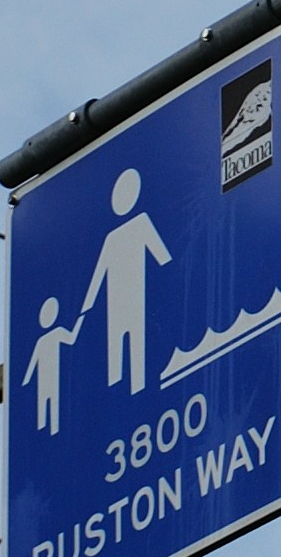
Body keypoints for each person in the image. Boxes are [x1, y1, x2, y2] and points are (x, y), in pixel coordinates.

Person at [84, 167, 171, 394]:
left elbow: (162, 257)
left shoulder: (140, 224)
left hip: (135, 296)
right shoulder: (113, 237)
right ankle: (118, 390)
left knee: (133, 341)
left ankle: (138, 385)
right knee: (118, 345)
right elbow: (99, 273)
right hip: (117, 301)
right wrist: (89, 303)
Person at [24, 295, 81, 433]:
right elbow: (33, 362)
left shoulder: (57, 333)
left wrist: (80, 322)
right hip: (44, 377)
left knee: (52, 401)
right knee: (44, 403)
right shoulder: (43, 340)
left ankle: (53, 429)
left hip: (53, 375)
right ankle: (44, 430)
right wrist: (26, 380)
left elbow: (72, 339)